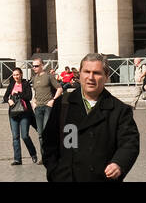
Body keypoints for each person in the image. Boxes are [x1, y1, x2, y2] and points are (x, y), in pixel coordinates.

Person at [42, 53, 140, 183]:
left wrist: (118, 164)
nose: (91, 77)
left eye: (97, 73)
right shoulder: (63, 104)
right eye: (86, 72)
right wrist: (54, 172)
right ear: (80, 74)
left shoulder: (120, 110)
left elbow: (129, 143)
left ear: (106, 76)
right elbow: (49, 142)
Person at [3, 67, 37, 166]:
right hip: (13, 113)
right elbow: (5, 97)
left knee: (25, 136)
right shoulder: (11, 84)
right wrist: (8, 100)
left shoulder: (25, 84)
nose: (16, 77)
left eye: (17, 75)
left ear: (21, 74)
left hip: (24, 113)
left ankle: (33, 153)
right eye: (14, 75)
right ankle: (17, 159)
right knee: (15, 137)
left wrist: (18, 94)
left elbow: (29, 96)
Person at [28, 59, 62, 137]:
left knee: (47, 131)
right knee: (40, 134)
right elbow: (36, 91)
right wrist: (33, 102)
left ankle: (50, 149)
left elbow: (59, 89)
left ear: (42, 66)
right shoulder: (34, 78)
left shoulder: (49, 76)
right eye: (33, 66)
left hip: (48, 107)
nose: (34, 68)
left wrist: (53, 100)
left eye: (36, 66)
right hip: (38, 107)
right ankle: (42, 149)